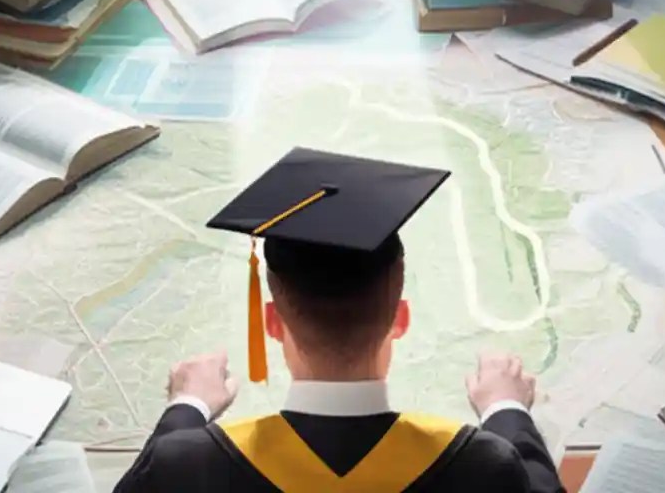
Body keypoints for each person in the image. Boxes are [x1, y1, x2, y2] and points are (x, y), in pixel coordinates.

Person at [113, 147, 564, 492]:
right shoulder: (483, 467)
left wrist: (186, 408)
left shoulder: (186, 467)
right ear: (400, 320)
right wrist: (506, 410)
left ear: (273, 323)